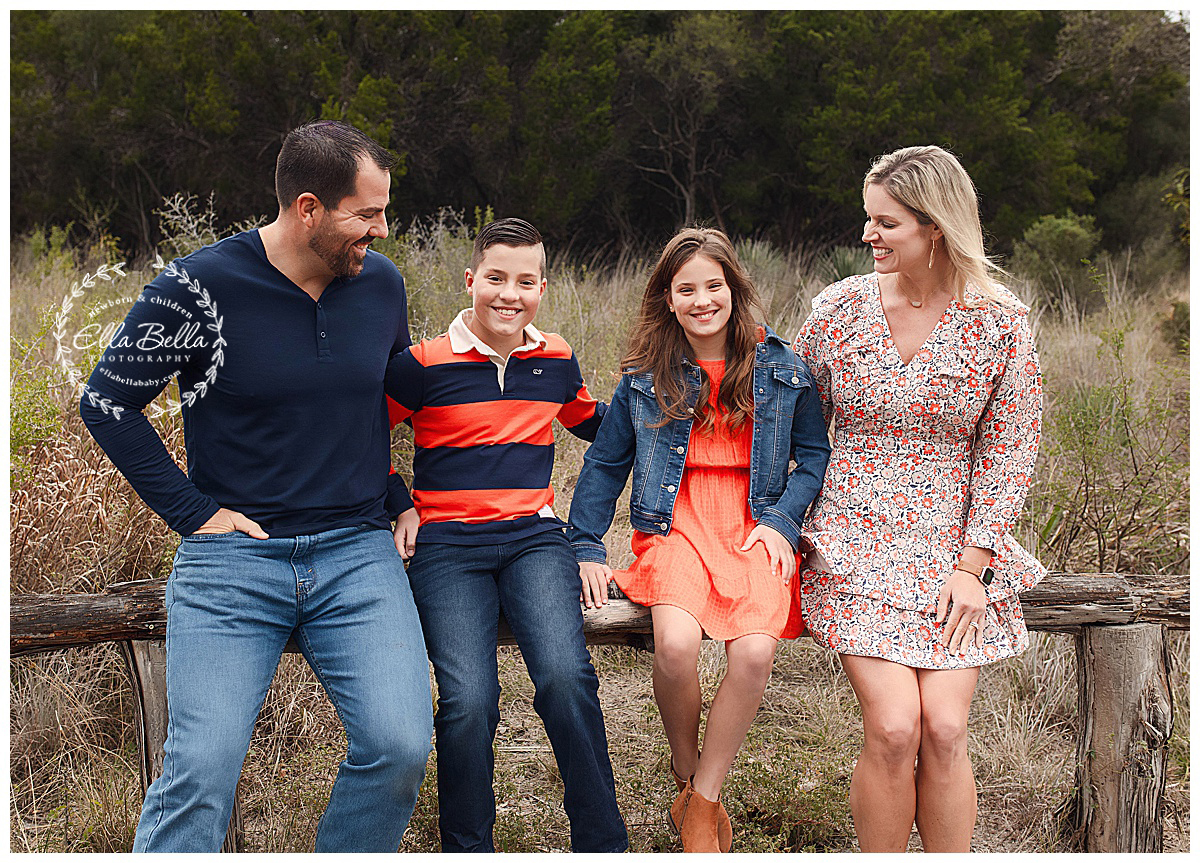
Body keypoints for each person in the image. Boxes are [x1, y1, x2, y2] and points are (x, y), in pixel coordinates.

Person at [80, 120, 433, 852]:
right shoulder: (197, 288)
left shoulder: (381, 284)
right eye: (367, 214)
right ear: (308, 208)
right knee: (201, 769)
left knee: (400, 747)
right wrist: (193, 513)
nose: (382, 229)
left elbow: (374, 400)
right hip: (233, 560)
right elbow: (107, 403)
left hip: (357, 551)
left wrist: (397, 494)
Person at [793, 145, 1046, 851]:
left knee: (945, 727)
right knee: (895, 725)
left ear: (935, 226)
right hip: (852, 535)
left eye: (886, 222)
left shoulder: (999, 321)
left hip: (954, 546)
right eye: (868, 218)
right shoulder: (839, 310)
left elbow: (1010, 448)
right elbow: (792, 423)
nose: (868, 234)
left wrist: (975, 565)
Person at [566, 227, 831, 852]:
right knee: (676, 645)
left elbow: (814, 456)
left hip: (753, 525)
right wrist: (586, 544)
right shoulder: (645, 376)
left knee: (755, 654)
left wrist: (782, 523)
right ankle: (686, 777)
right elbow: (605, 464)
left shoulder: (781, 367)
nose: (702, 300)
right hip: (675, 523)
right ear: (668, 297)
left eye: (714, 286)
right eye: (686, 289)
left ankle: (705, 798)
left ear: (734, 289)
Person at [383, 218, 628, 853]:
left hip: (532, 540)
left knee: (566, 678)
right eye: (495, 278)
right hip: (446, 547)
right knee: (469, 699)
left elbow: (597, 426)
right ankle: (468, 849)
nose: (508, 295)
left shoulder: (556, 357)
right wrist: (399, 504)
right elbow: (360, 438)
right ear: (471, 279)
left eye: (525, 282)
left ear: (542, 288)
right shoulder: (422, 364)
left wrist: (670, 417)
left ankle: (602, 844)